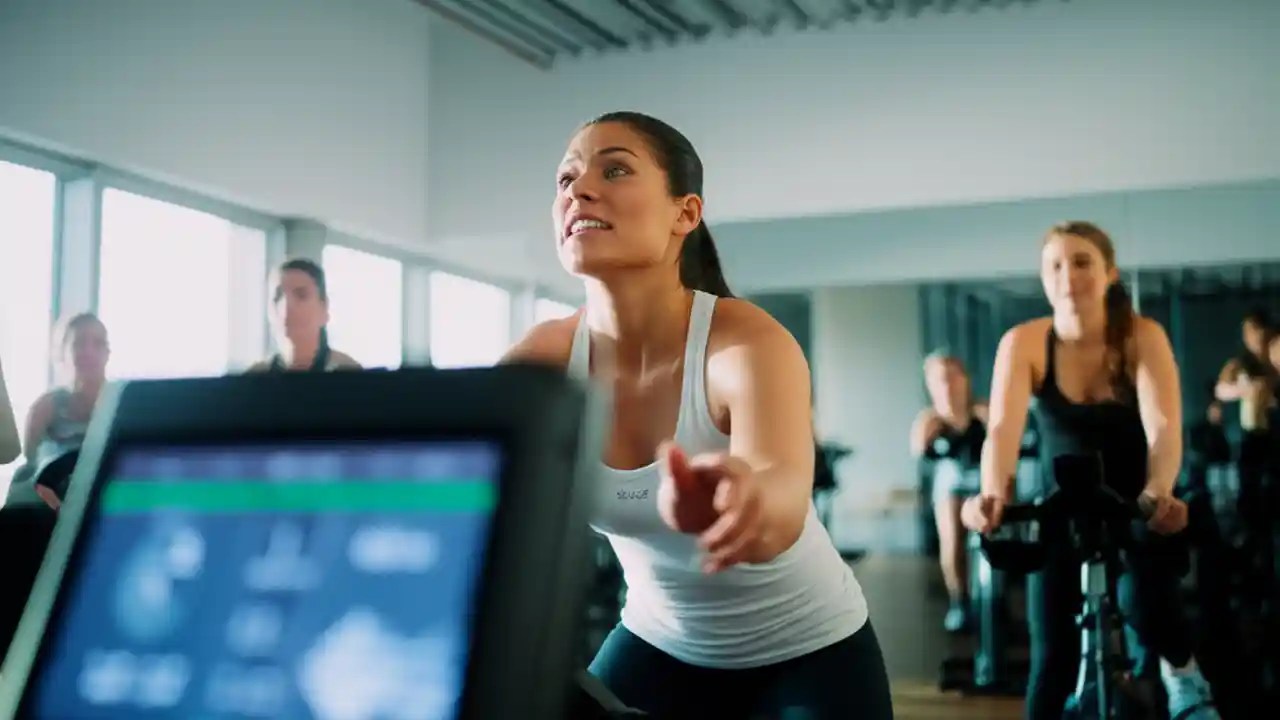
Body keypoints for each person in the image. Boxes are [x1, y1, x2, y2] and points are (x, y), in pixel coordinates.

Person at [503, 111, 891, 719]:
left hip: (809, 652)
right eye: (565, 178)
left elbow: (783, 492)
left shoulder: (743, 341)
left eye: (616, 169)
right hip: (658, 644)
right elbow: (458, 473)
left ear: (684, 213)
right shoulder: (544, 357)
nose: (579, 189)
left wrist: (746, 500)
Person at [961, 221, 1219, 719]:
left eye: (1082, 262)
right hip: (1063, 507)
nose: (1068, 275)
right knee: (1051, 658)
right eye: (1055, 265)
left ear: (1109, 274)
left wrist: (1159, 491)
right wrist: (992, 495)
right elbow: (1001, 430)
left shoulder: (1142, 336)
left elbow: (1163, 426)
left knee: (1149, 608)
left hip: (1133, 500)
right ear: (1043, 278)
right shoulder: (1025, 342)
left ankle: (1185, 678)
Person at [909, 351, 987, 632]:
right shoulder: (929, 421)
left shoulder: (982, 412)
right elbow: (918, 452)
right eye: (941, 379)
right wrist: (927, 434)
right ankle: (960, 601)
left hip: (982, 482)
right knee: (952, 539)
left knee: (994, 536)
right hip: (951, 485)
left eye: (954, 376)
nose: (949, 384)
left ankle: (993, 599)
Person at [15, 312, 111, 511]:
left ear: (107, 353)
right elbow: (30, 470)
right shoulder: (46, 408)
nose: (89, 352)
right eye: (79, 343)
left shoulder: (119, 404)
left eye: (98, 344)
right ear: (62, 352)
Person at [247, 258, 362, 373]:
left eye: (301, 295)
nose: (286, 306)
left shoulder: (350, 375)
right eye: (278, 297)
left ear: (324, 308)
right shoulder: (252, 379)